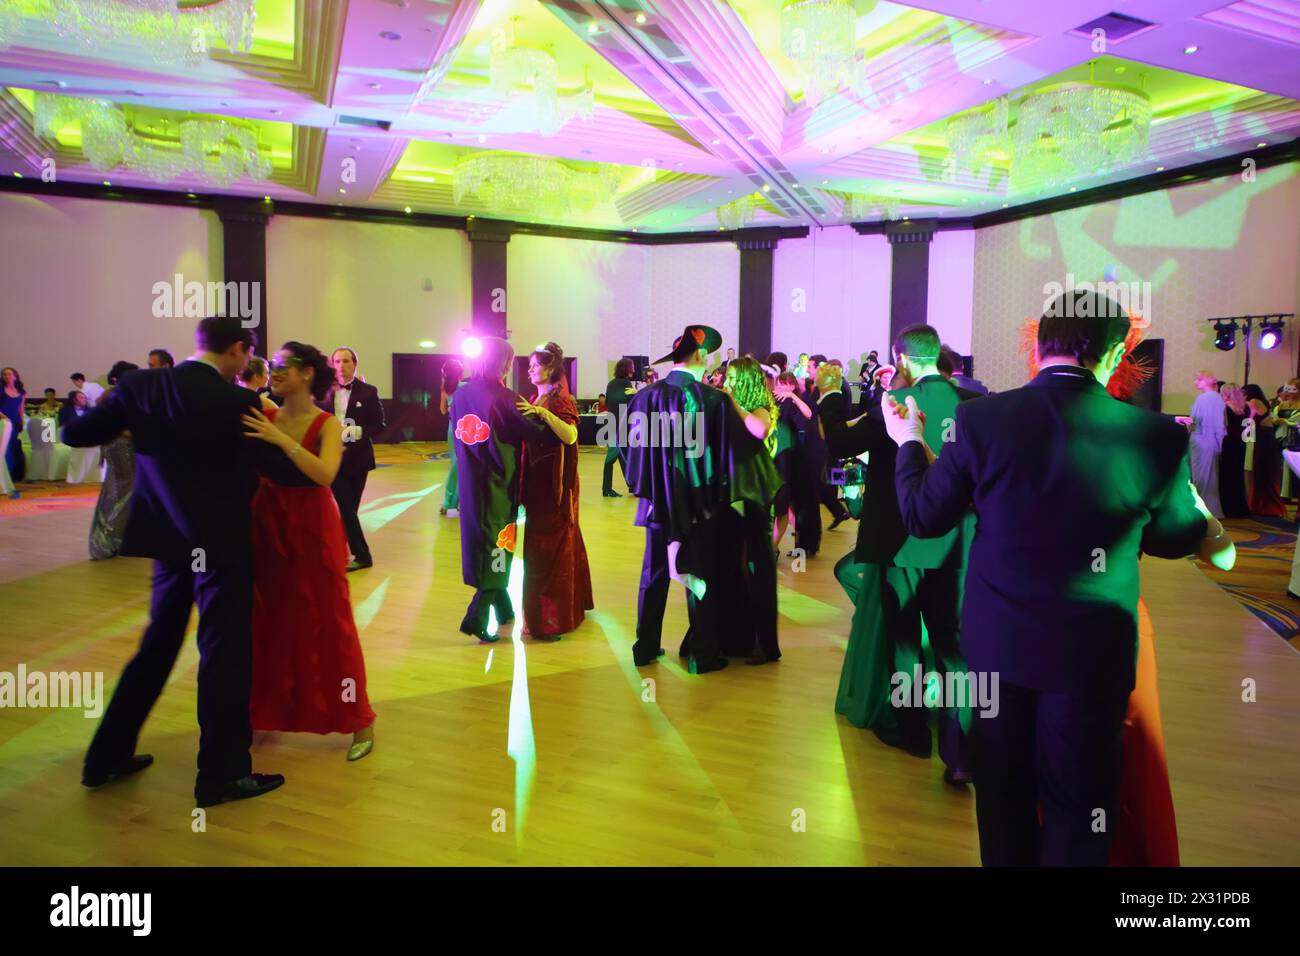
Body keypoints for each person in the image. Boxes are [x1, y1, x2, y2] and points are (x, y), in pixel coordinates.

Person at [883, 290, 1232, 866]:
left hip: (998, 651)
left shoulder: (980, 420)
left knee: (1003, 803)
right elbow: (1175, 539)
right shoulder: (1156, 436)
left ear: (1039, 343)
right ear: (1116, 350)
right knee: (1081, 808)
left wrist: (908, 442)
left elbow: (922, 516)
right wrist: (1197, 512)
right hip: (1091, 656)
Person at [63, 316, 284, 808]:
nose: (247, 364)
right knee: (224, 653)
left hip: (168, 541)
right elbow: (268, 469)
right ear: (236, 349)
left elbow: (78, 435)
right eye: (246, 355)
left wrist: (71, 408)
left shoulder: (142, 385)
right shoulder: (237, 400)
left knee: (157, 646)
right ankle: (221, 775)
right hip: (222, 545)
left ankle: (105, 758)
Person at [819, 326, 978, 784]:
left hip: (902, 544)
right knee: (953, 647)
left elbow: (839, 445)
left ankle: (910, 732)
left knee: (905, 641)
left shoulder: (896, 405)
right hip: (955, 548)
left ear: (901, 358)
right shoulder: (973, 407)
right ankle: (960, 752)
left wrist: (832, 393)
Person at [241, 342, 376, 761]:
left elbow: (325, 474)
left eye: (284, 367)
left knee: (329, 619)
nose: (274, 372)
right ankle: (263, 711)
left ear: (306, 374)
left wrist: (281, 439)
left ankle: (359, 721)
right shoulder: (261, 411)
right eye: (273, 367)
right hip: (268, 520)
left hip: (314, 526)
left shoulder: (325, 423)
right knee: (269, 619)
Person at [624, 325, 779, 673]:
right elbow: (735, 453)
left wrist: (648, 487)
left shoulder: (643, 398)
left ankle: (645, 646)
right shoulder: (714, 400)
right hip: (701, 505)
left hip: (657, 505)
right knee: (700, 574)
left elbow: (628, 450)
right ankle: (703, 654)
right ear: (698, 356)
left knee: (654, 573)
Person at [451, 336, 549, 642]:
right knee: (497, 545)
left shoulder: (461, 394)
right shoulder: (505, 397)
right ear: (504, 363)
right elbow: (537, 433)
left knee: (484, 545)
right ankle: (476, 617)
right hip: (497, 482)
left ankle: (503, 608)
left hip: (469, 481)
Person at [517, 342, 593, 639]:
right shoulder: (541, 397)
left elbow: (571, 434)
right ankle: (561, 611)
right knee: (550, 550)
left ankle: (550, 620)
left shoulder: (560, 400)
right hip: (540, 485)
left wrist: (540, 413)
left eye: (535, 365)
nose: (530, 370)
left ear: (549, 369)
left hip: (555, 488)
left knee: (549, 553)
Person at [721, 357, 782, 664]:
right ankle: (737, 638)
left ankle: (765, 643)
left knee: (757, 568)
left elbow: (758, 429)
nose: (726, 382)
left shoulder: (760, 408)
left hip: (755, 496)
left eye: (732, 378)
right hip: (732, 494)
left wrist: (731, 401)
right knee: (734, 567)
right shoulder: (728, 407)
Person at [323, 347, 386, 571]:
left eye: (346, 361)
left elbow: (379, 424)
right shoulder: (325, 392)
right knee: (346, 509)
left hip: (358, 459)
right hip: (333, 458)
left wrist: (356, 432)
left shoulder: (368, 391)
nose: (341, 365)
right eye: (337, 361)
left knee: (350, 509)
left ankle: (341, 551)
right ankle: (362, 555)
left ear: (355, 364)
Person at [89, 361, 139, 560]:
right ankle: (106, 542)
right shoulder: (116, 396)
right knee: (121, 493)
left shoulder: (117, 395)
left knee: (117, 491)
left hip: (119, 446)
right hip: (121, 446)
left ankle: (114, 541)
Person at [1187, 371, 1226, 518]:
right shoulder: (1218, 399)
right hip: (1210, 440)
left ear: (1207, 381)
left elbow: (1195, 421)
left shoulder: (1204, 398)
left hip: (1201, 439)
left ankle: (1202, 509)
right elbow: (1220, 425)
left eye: (1199, 379)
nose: (1195, 382)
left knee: (1200, 476)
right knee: (1208, 475)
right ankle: (1209, 508)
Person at [1244, 383, 1284, 516]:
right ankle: (1262, 505)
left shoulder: (1254, 402)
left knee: (1262, 472)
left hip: (1263, 439)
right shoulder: (1263, 402)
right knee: (1263, 473)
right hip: (1265, 437)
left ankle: (1263, 506)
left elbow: (1250, 420)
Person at [601, 358, 636, 498]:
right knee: (613, 457)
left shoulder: (611, 384)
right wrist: (636, 393)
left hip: (612, 423)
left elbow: (609, 402)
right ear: (628, 369)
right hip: (621, 425)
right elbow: (630, 403)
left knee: (621, 455)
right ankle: (606, 489)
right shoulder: (626, 384)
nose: (633, 370)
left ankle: (632, 485)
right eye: (632, 367)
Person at [1219, 384, 1249, 518]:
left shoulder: (1224, 408)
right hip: (1240, 444)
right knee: (1237, 475)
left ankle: (1228, 507)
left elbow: (1222, 428)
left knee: (1226, 475)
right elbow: (1249, 429)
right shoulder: (1245, 408)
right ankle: (1239, 507)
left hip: (1228, 443)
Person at [439, 358, 464, 517]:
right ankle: (449, 502)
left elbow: (442, 410)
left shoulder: (445, 388)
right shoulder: (464, 387)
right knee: (459, 464)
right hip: (463, 428)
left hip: (451, 427)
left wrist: (449, 406)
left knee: (457, 464)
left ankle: (452, 501)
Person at [1, 367, 25, 483]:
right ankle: (6, 474)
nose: (7, 376)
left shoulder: (21, 391)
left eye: (9, 374)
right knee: (6, 447)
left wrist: (22, 421)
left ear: (15, 376)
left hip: (15, 421)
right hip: (3, 421)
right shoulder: (1, 389)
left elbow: (21, 408)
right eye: (4, 375)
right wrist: (4, 417)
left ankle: (14, 474)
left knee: (14, 446)